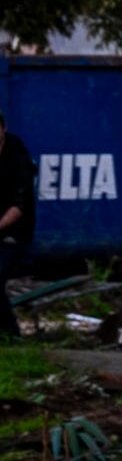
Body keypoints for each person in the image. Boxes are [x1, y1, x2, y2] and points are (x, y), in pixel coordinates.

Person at [0, 113, 31, 340]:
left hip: (13, 233)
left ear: (3, 129)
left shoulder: (17, 156)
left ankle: (11, 333)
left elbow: (19, 206)